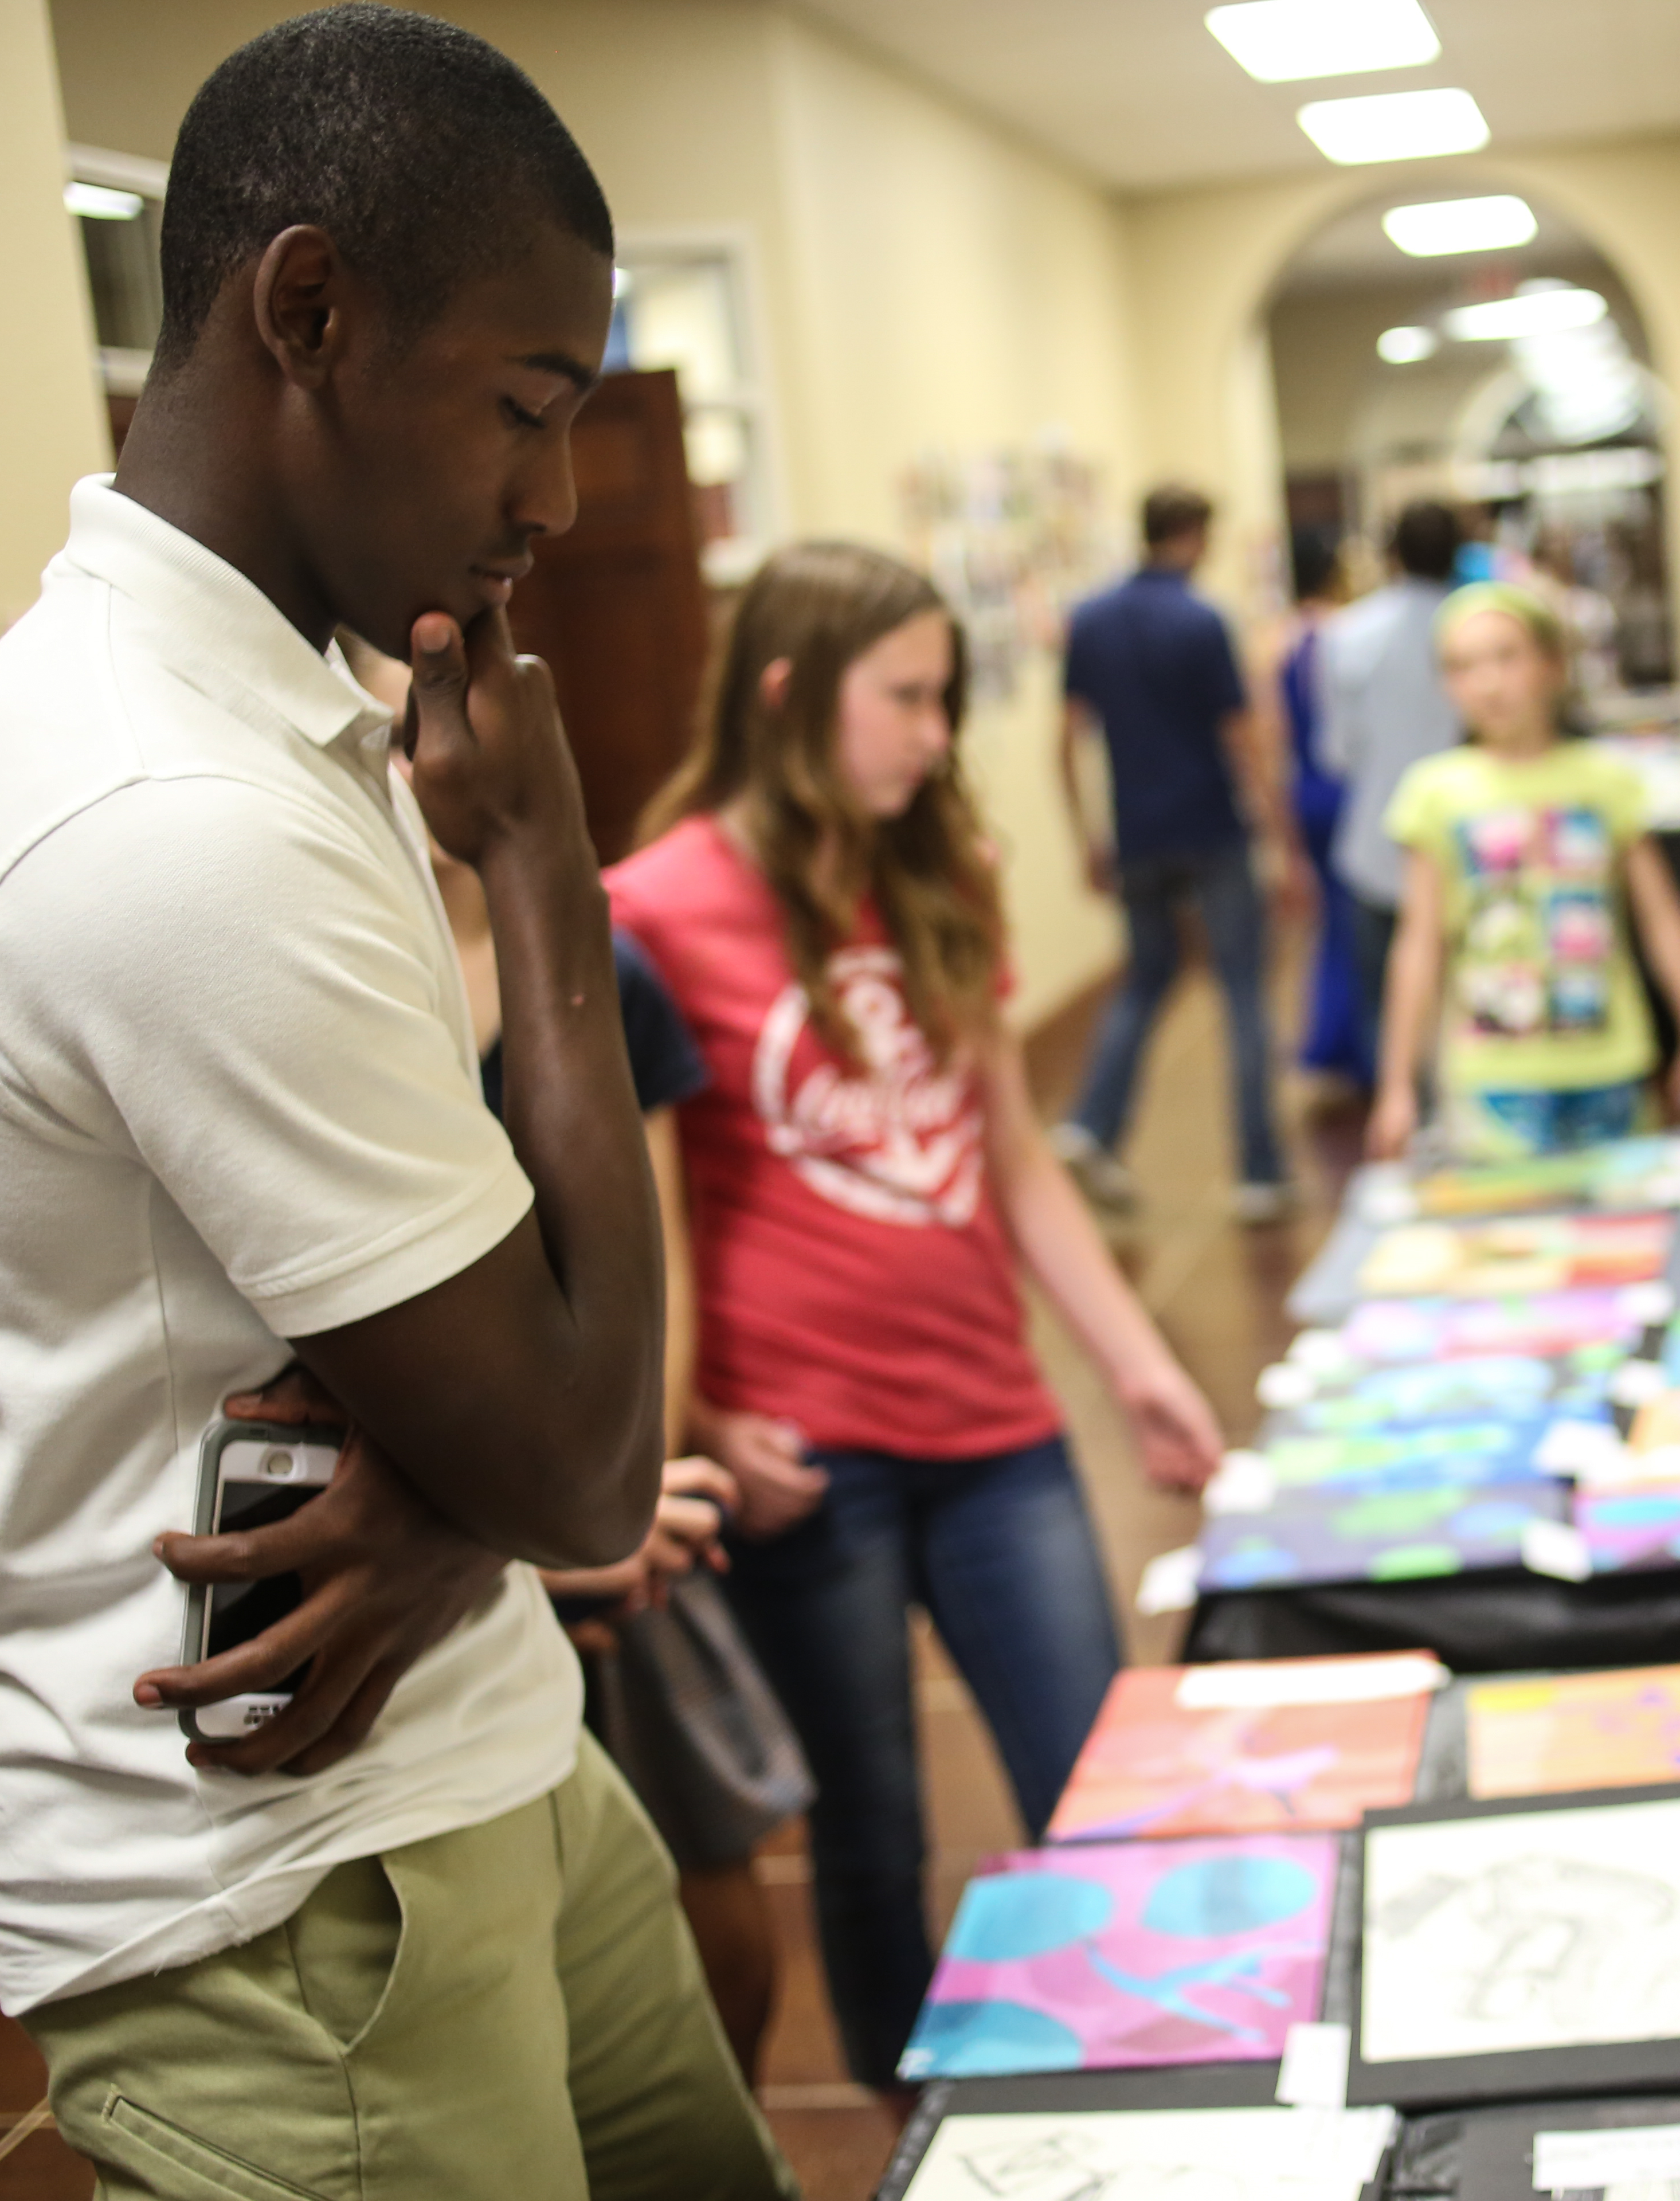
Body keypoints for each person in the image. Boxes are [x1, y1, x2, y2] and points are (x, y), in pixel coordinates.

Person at [0, 11, 789, 2196]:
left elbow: (495, 1373)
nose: (556, 501)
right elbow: (580, 1452)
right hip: (285, 1897)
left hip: (479, 1747)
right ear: (310, 313)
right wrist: (548, 869)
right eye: (522, 409)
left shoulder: (291, 703)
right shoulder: (160, 807)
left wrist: (461, 1495)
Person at [605, 539, 1229, 2092]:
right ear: (788, 697)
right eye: (908, 699)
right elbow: (637, 1216)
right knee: (872, 1832)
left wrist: (1137, 1367)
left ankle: (1157, 2083)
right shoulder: (654, 909)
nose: (937, 734)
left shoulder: (938, 869)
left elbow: (1012, 1152)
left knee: (1098, 1778)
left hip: (995, 1420)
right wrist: (687, 1425)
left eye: (944, 697)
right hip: (808, 1454)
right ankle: (917, 2120)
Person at [363, 630, 811, 2083]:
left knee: (709, 1917)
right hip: (419, 1518)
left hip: (597, 1493)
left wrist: (613, 1495)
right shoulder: (344, 972)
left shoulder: (593, 963)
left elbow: (648, 1255)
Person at [1368, 582, 1680, 1161]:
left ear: (1551, 665)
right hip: (1492, 1077)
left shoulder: (1605, 779)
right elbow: (1419, 945)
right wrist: (1396, 1087)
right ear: (1447, 685)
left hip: (1610, 1063)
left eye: (1506, 657)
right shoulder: (1435, 793)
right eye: (1464, 666)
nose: (1489, 683)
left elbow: (1663, 918)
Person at [1050, 483, 1298, 1221]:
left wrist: (1085, 837)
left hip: (1137, 836)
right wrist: (1282, 837)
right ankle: (1260, 1172)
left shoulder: (1090, 621)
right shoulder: (1201, 622)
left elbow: (1065, 741)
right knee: (1244, 990)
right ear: (1194, 535)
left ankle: (1091, 1125)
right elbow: (1241, 738)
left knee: (1145, 980)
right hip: (1212, 831)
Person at [1318, 499, 1467, 1038]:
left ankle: (1407, 1107)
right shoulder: (1480, 628)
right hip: (1471, 844)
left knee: (1391, 1013)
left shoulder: (1347, 633)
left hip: (1379, 845)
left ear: (1392, 554)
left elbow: (1337, 752)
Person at [1276, 529, 1372, 1092]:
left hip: (1305, 793)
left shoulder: (1276, 641)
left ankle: (1329, 1041)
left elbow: (1272, 736)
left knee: (1327, 923)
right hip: (1345, 790)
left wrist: (1279, 828)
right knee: (1355, 920)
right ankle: (1359, 1046)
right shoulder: (1349, 633)